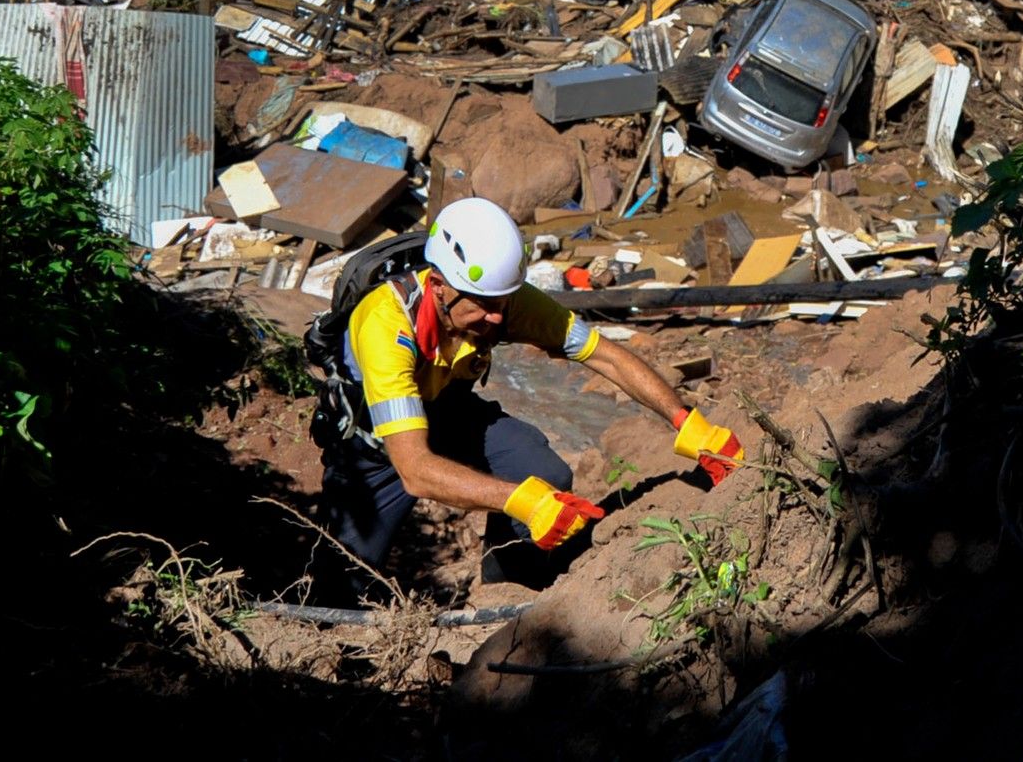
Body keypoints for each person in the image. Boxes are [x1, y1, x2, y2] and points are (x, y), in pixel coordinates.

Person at [317, 197, 744, 595]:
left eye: (502, 300)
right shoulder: (385, 326)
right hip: (373, 445)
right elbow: (415, 469)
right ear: (441, 286)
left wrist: (686, 420)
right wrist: (523, 501)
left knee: (542, 472)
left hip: (448, 410)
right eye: (484, 304)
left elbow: (605, 356)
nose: (498, 315)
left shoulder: (501, 303)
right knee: (345, 575)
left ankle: (507, 589)